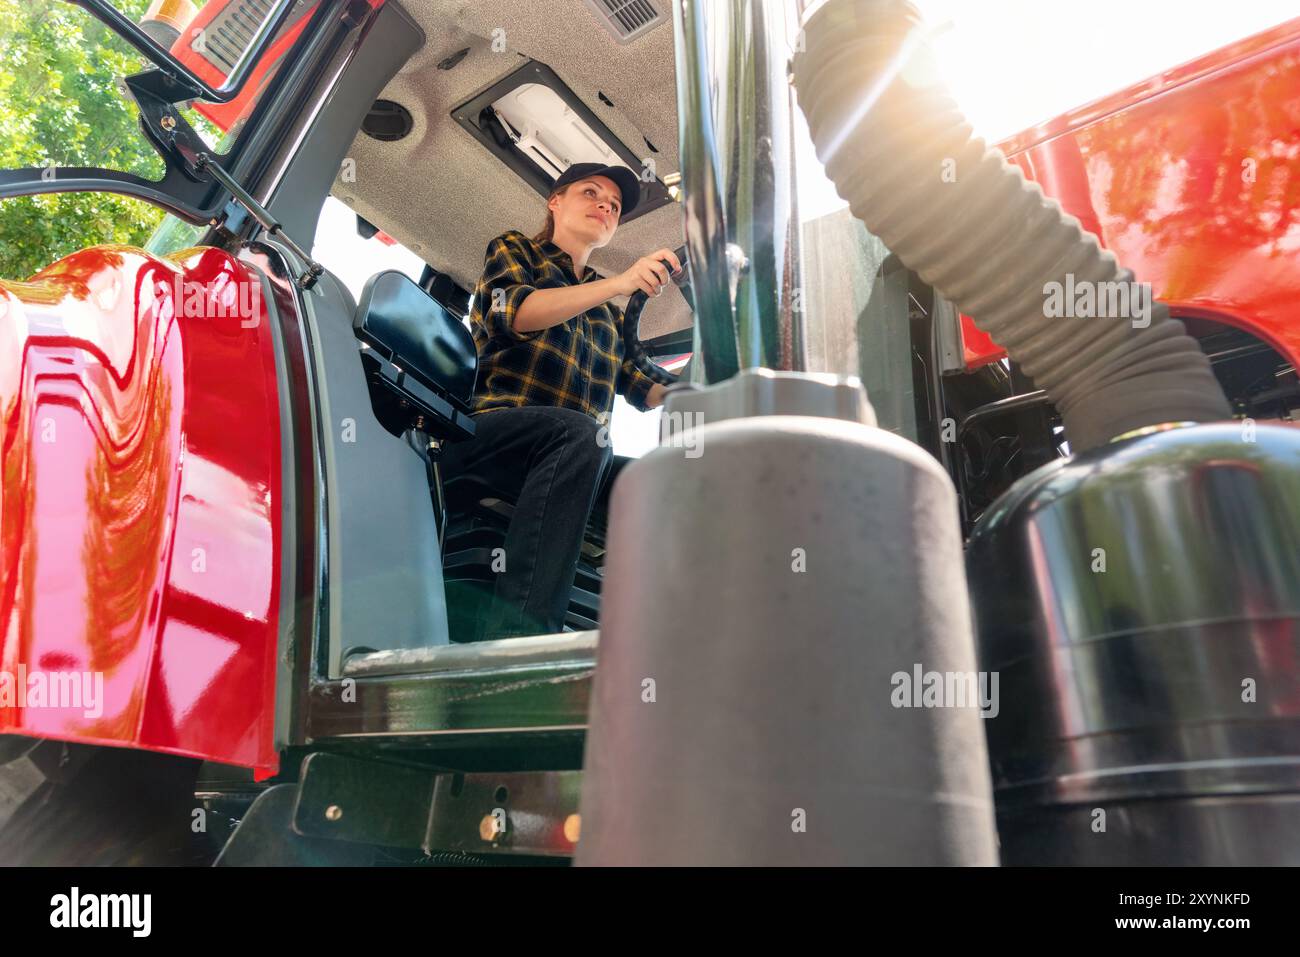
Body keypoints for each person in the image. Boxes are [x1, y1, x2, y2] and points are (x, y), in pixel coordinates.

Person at [438, 162, 683, 642]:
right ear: (556, 201)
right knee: (581, 432)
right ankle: (523, 640)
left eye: (613, 206)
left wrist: (720, 377)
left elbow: (648, 388)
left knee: (663, 483)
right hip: (486, 439)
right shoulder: (516, 250)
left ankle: (643, 648)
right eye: (591, 193)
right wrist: (618, 283)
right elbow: (518, 313)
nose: (604, 207)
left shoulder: (610, 319)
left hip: (569, 459)